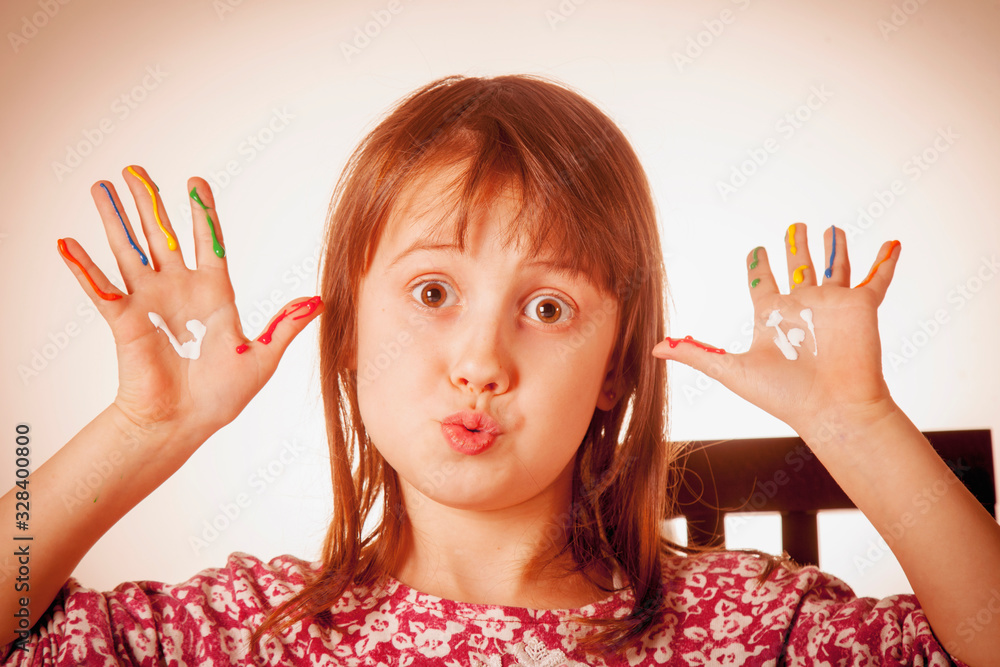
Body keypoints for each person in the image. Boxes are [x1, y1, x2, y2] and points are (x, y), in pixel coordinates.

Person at [1, 74, 996, 666]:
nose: (480, 361)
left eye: (549, 308)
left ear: (613, 366)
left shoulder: (749, 627)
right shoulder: (246, 631)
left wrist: (859, 425)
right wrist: (144, 431)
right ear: (346, 331)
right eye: (433, 293)